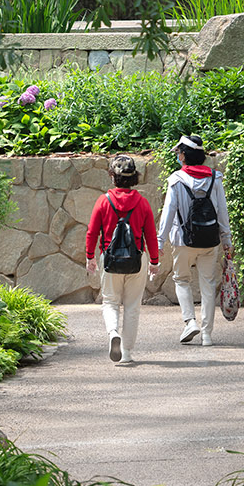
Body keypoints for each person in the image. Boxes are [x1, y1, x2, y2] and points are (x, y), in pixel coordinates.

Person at [157, 134, 232, 347]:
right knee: (208, 285)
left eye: (179, 153)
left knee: (182, 279)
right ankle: (207, 335)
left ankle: (190, 322)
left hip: (183, 240)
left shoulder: (176, 180)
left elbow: (169, 212)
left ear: (184, 155)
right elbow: (222, 211)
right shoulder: (215, 178)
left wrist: (160, 241)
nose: (178, 156)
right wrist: (226, 238)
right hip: (210, 240)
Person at [86, 154, 160, 367]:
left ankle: (112, 333)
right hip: (136, 259)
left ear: (112, 176)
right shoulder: (142, 203)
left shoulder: (103, 201)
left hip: (110, 260)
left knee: (110, 301)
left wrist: (90, 257)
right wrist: (154, 261)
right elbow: (151, 235)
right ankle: (126, 352)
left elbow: (92, 232)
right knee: (132, 306)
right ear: (133, 177)